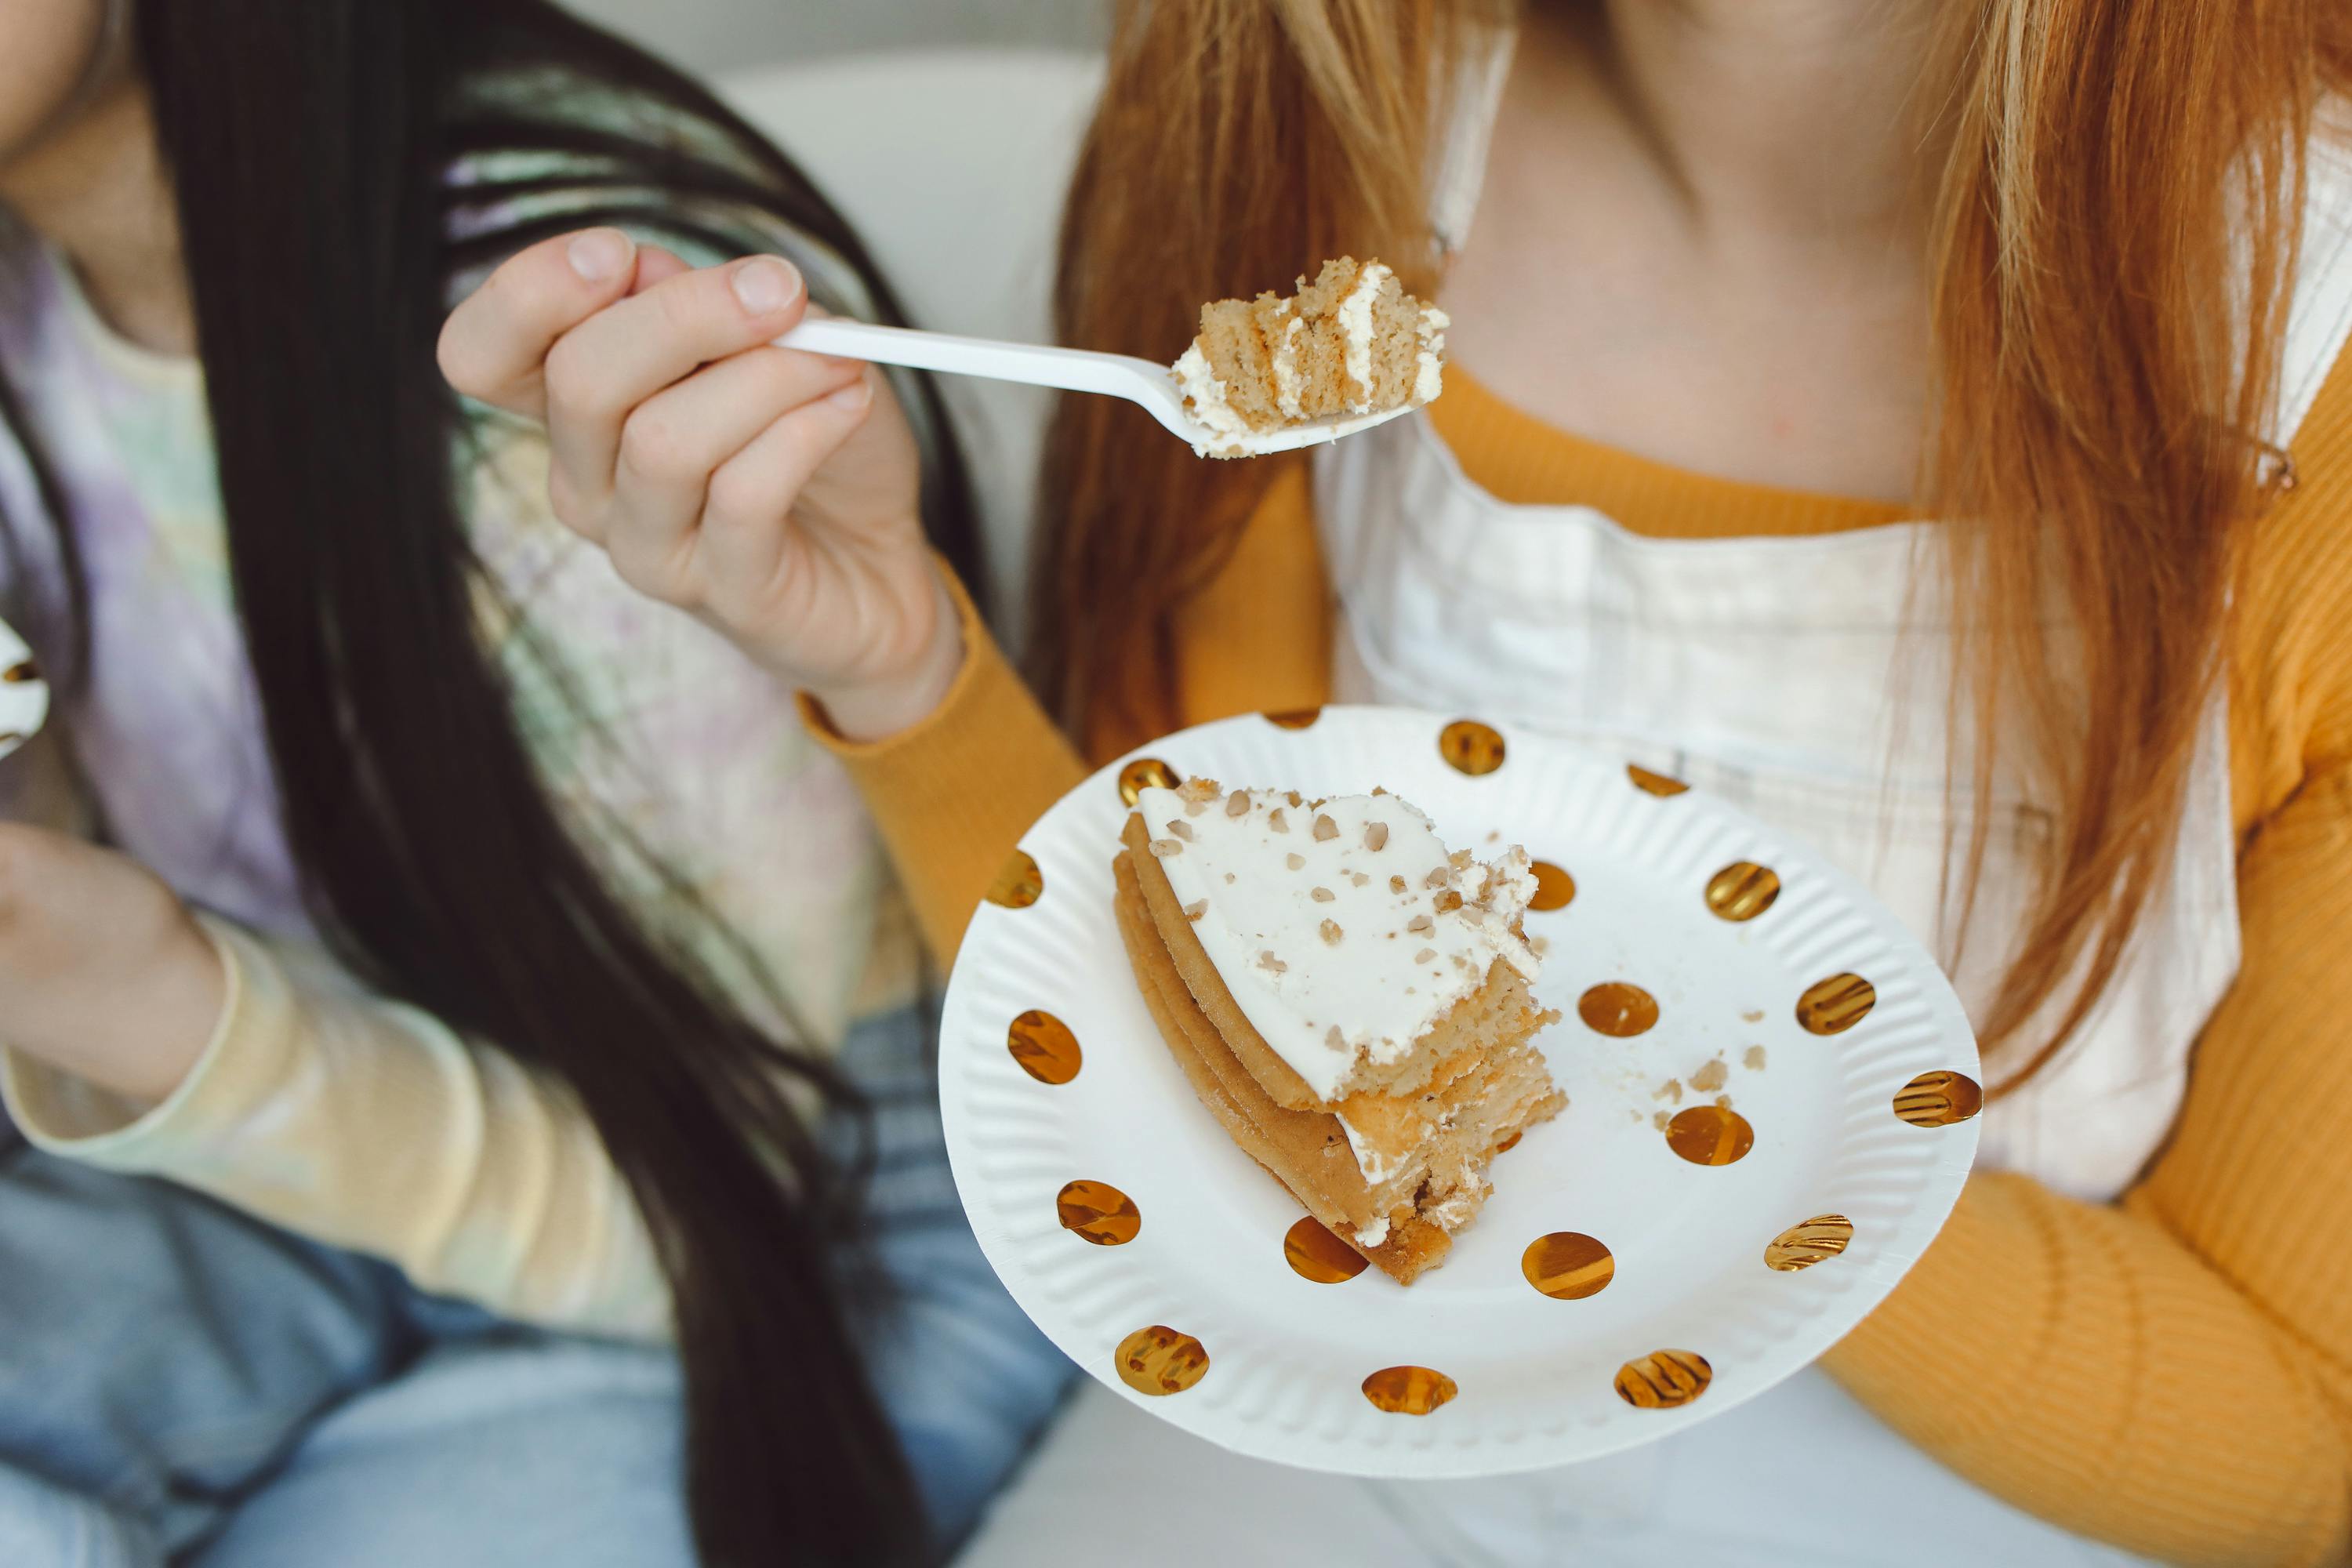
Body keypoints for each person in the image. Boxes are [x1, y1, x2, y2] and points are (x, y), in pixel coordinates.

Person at [440, 0, 2352, 1561]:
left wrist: (1656, 1128)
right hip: (1327, 1416)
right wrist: (902, 671)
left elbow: (2307, 1436)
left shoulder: (2311, 369)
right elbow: (1200, 1054)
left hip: (1987, 1501)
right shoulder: (1315, 125)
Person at [0, 2, 1067, 1565]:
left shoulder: (581, 378)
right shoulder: (39, 298)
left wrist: (171, 1019)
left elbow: (714, 1223)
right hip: (294, 1139)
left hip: (788, 1235)